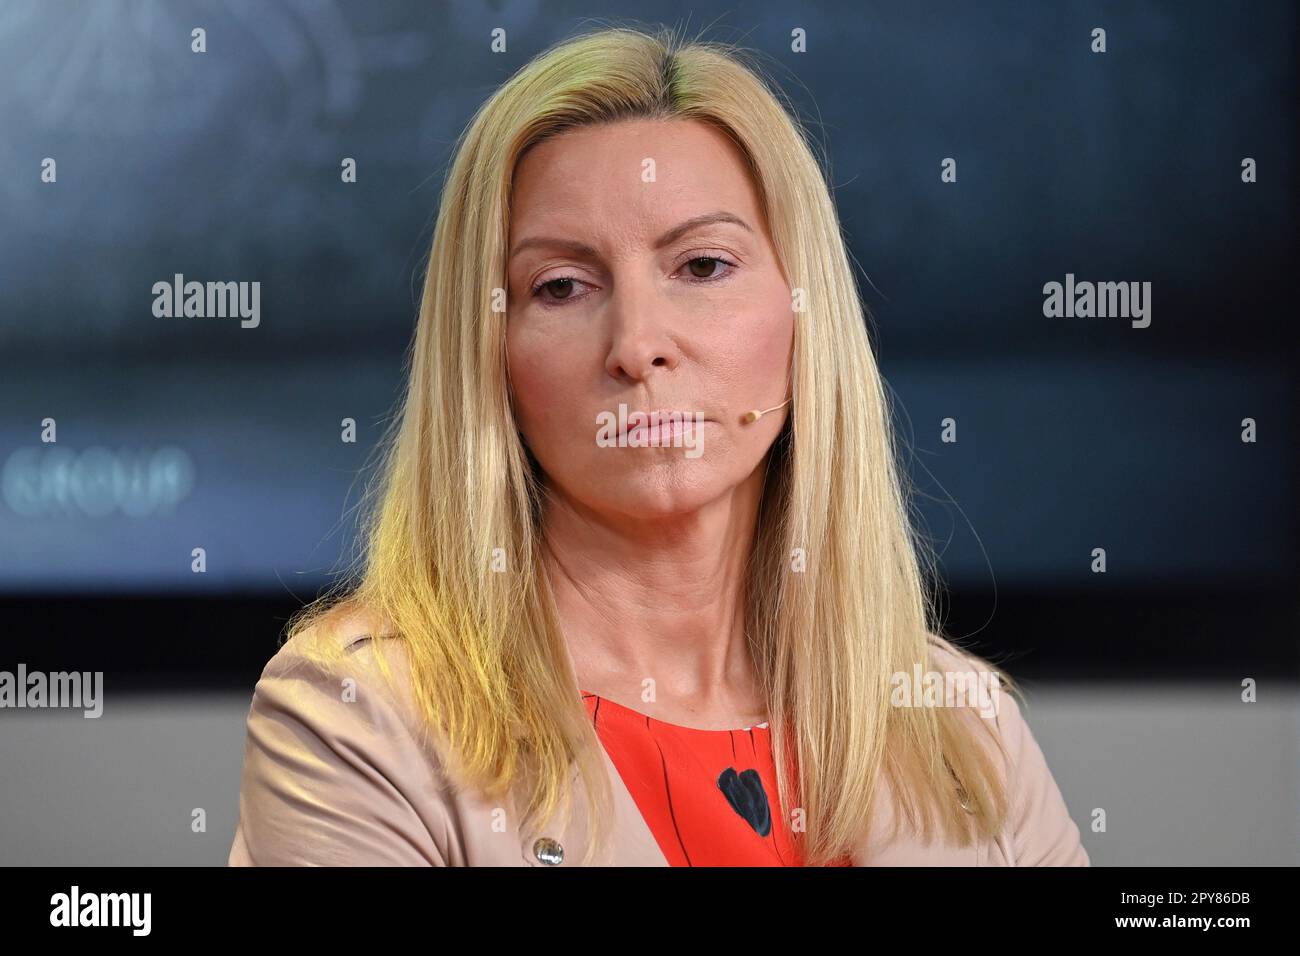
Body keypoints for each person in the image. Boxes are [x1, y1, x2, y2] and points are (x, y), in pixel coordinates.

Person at [228, 24, 1088, 867]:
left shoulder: (964, 722)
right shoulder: (358, 718)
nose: (638, 344)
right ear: (488, 355)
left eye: (703, 266)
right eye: (561, 287)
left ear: (803, 312)